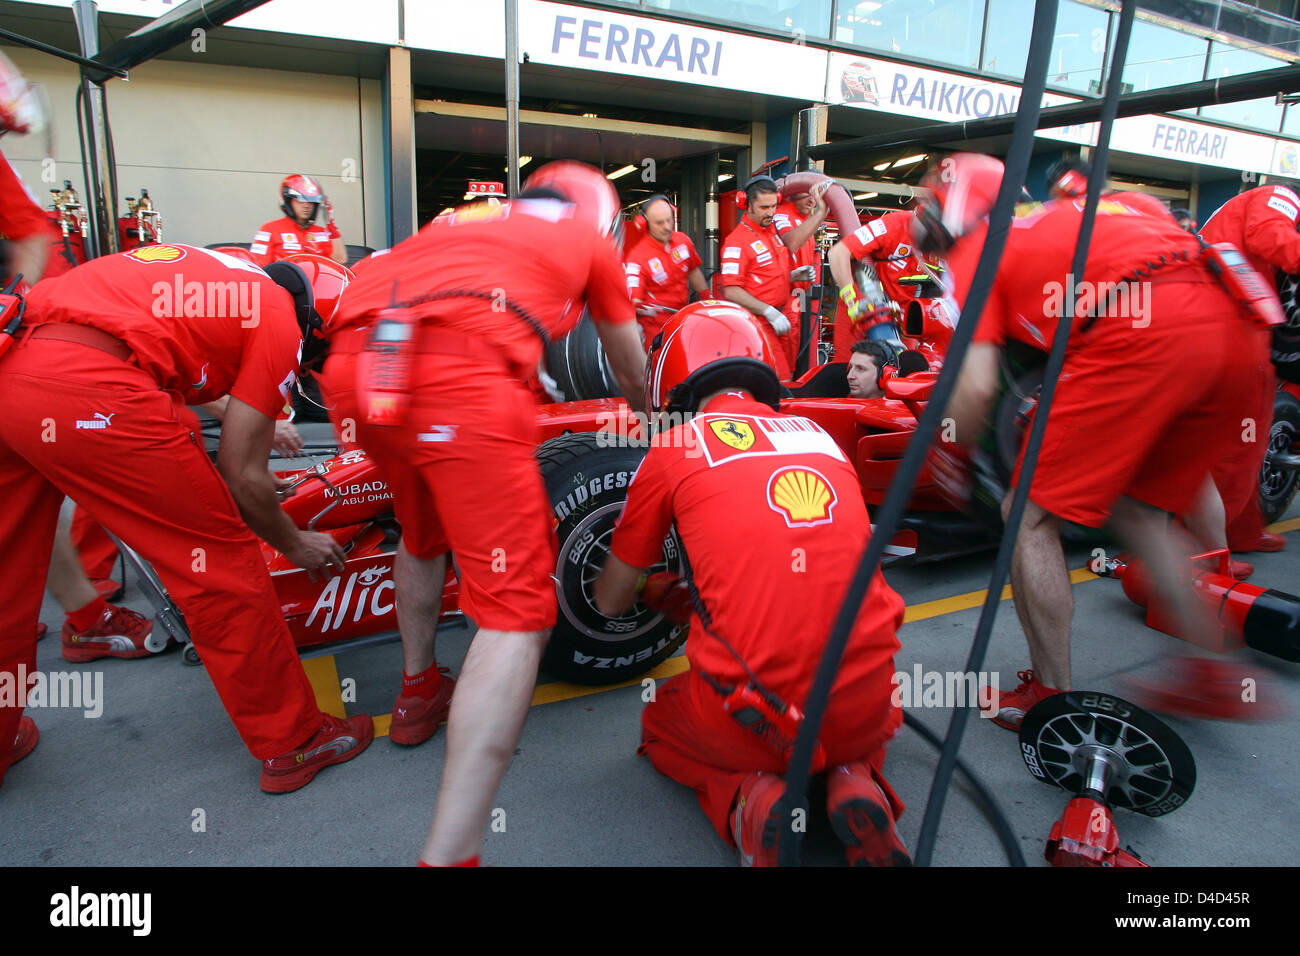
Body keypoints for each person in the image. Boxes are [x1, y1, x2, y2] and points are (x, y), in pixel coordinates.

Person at [319, 160, 646, 866]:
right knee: (516, 615)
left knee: (421, 534)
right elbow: (627, 362)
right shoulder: (586, 241)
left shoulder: (454, 223)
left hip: (359, 368)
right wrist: (655, 422)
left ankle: (414, 695)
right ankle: (452, 854)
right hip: (457, 376)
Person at [0, 244, 374, 793]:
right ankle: (294, 741)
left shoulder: (227, 268)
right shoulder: (280, 320)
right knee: (220, 567)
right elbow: (244, 477)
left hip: (12, 357)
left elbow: (169, 362)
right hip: (86, 389)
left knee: (6, 576)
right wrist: (293, 542)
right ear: (316, 322)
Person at [920, 153, 1265, 729]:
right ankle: (1211, 675)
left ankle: (1053, 699)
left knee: (1026, 516)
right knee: (1140, 514)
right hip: (1233, 330)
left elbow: (977, 386)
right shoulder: (1106, 207)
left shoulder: (978, 250)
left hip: (1143, 329)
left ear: (956, 206)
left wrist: (945, 447)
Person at [594, 301, 908, 867]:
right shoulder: (819, 436)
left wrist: (652, 589)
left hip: (754, 718)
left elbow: (610, 598)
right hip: (871, 699)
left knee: (659, 721)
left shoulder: (674, 448)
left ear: (675, 383)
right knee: (850, 706)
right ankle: (853, 779)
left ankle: (750, 801)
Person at [1198, 179, 1300, 553]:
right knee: (1240, 442)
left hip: (1236, 322)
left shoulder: (1256, 202)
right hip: (1232, 323)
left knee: (1247, 440)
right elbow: (1269, 236)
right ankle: (1209, 547)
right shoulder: (1282, 196)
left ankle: (1240, 530)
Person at [719, 176, 807, 380]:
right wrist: (768, 311)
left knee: (790, 378)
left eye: (774, 206)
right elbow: (731, 290)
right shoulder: (736, 242)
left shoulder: (771, 233)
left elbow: (767, 275)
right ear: (746, 205)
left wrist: (793, 275)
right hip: (758, 323)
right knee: (780, 382)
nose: (771, 212)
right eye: (764, 207)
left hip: (783, 317)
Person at [827, 205, 938, 361]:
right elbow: (838, 253)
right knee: (848, 369)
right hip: (864, 308)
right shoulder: (895, 223)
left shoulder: (957, 242)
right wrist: (851, 298)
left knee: (903, 372)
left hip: (908, 320)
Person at [623, 195, 707, 349]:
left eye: (669, 220)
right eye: (660, 223)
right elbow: (632, 302)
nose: (667, 227)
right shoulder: (637, 258)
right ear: (645, 224)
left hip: (682, 319)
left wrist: (707, 298)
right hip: (655, 330)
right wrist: (641, 308)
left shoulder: (683, 241)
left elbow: (693, 270)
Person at [773, 182, 831, 369]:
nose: (812, 200)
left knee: (796, 348)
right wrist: (821, 213)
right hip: (783, 297)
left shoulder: (803, 219)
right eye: (808, 194)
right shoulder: (782, 214)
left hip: (799, 295)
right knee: (785, 351)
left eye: (816, 195)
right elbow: (792, 242)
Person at [251, 174, 346, 266]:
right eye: (300, 200)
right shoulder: (269, 229)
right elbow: (257, 268)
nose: (306, 205)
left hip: (316, 281)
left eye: (311, 201)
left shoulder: (321, 232)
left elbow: (340, 261)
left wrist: (331, 227)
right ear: (288, 201)